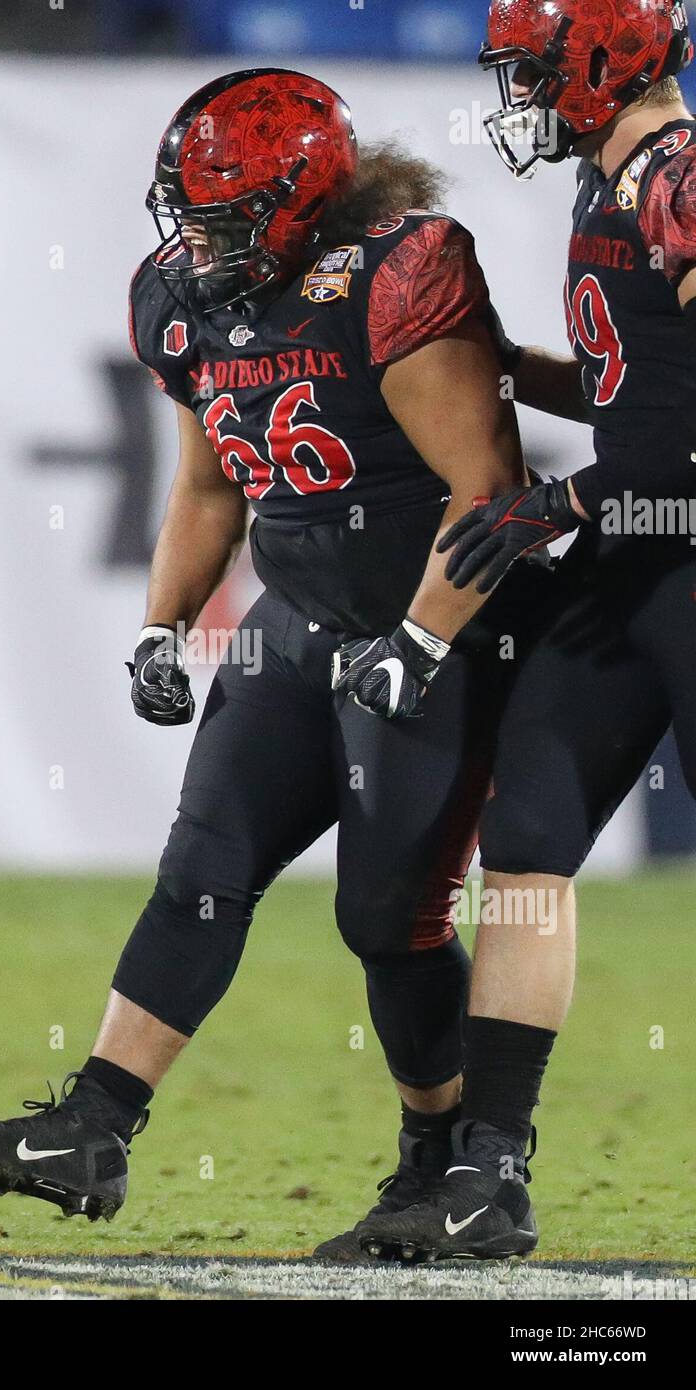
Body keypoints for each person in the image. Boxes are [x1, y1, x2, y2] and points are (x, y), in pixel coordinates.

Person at [0, 68, 544, 1254]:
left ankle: (444, 1172)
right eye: (191, 215)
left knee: (388, 917)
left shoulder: (396, 272)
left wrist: (421, 637)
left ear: (305, 200)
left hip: (438, 620)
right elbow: (212, 479)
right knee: (202, 861)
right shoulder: (177, 295)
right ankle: (92, 1127)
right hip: (300, 612)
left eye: (228, 217)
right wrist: (162, 623)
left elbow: (488, 489)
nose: (200, 244)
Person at [348, 0, 696, 1261]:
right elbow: (633, 392)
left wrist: (564, 496)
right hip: (636, 565)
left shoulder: (683, 180)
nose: (523, 97)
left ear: (599, 64)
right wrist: (481, 359)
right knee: (529, 838)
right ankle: (490, 1172)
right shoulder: (617, 186)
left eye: (535, 71)